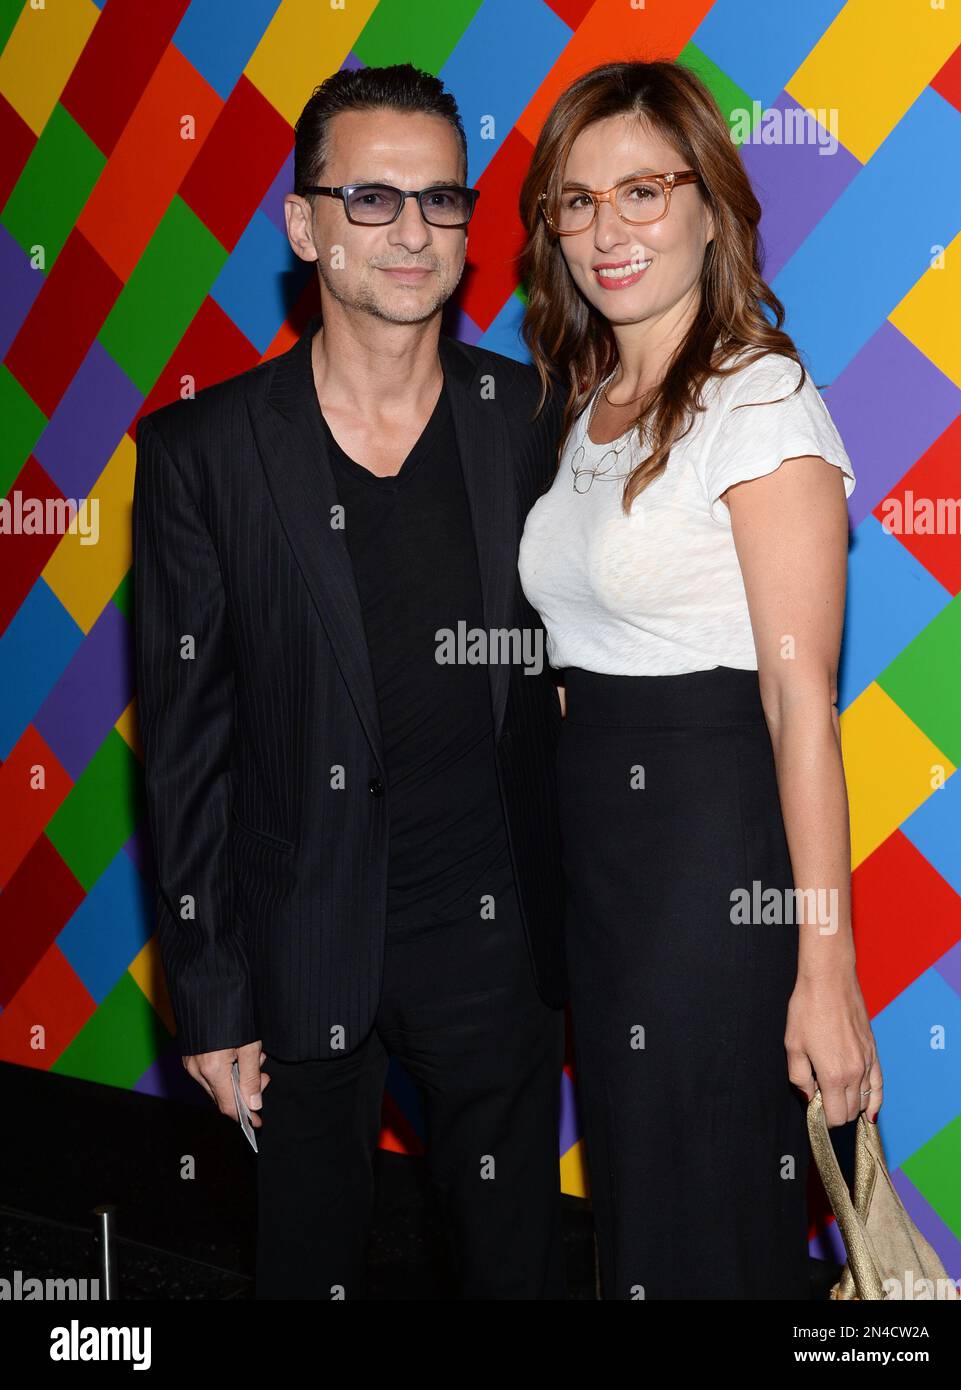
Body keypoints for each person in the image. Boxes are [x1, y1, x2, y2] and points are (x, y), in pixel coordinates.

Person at [132, 63, 569, 1300]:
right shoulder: (203, 453)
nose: (412, 231)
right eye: (369, 200)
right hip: (302, 944)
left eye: (441, 200)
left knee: (514, 1271)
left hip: (495, 957)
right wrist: (209, 993)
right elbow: (186, 747)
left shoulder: (532, 418)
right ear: (305, 225)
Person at [516, 59, 883, 1300]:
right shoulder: (590, 405)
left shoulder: (758, 398)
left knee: (707, 1213)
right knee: (641, 1200)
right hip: (605, 873)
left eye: (640, 190)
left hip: (709, 867)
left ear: (710, 207)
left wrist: (822, 972)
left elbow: (797, 704)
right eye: (574, 202)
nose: (605, 230)